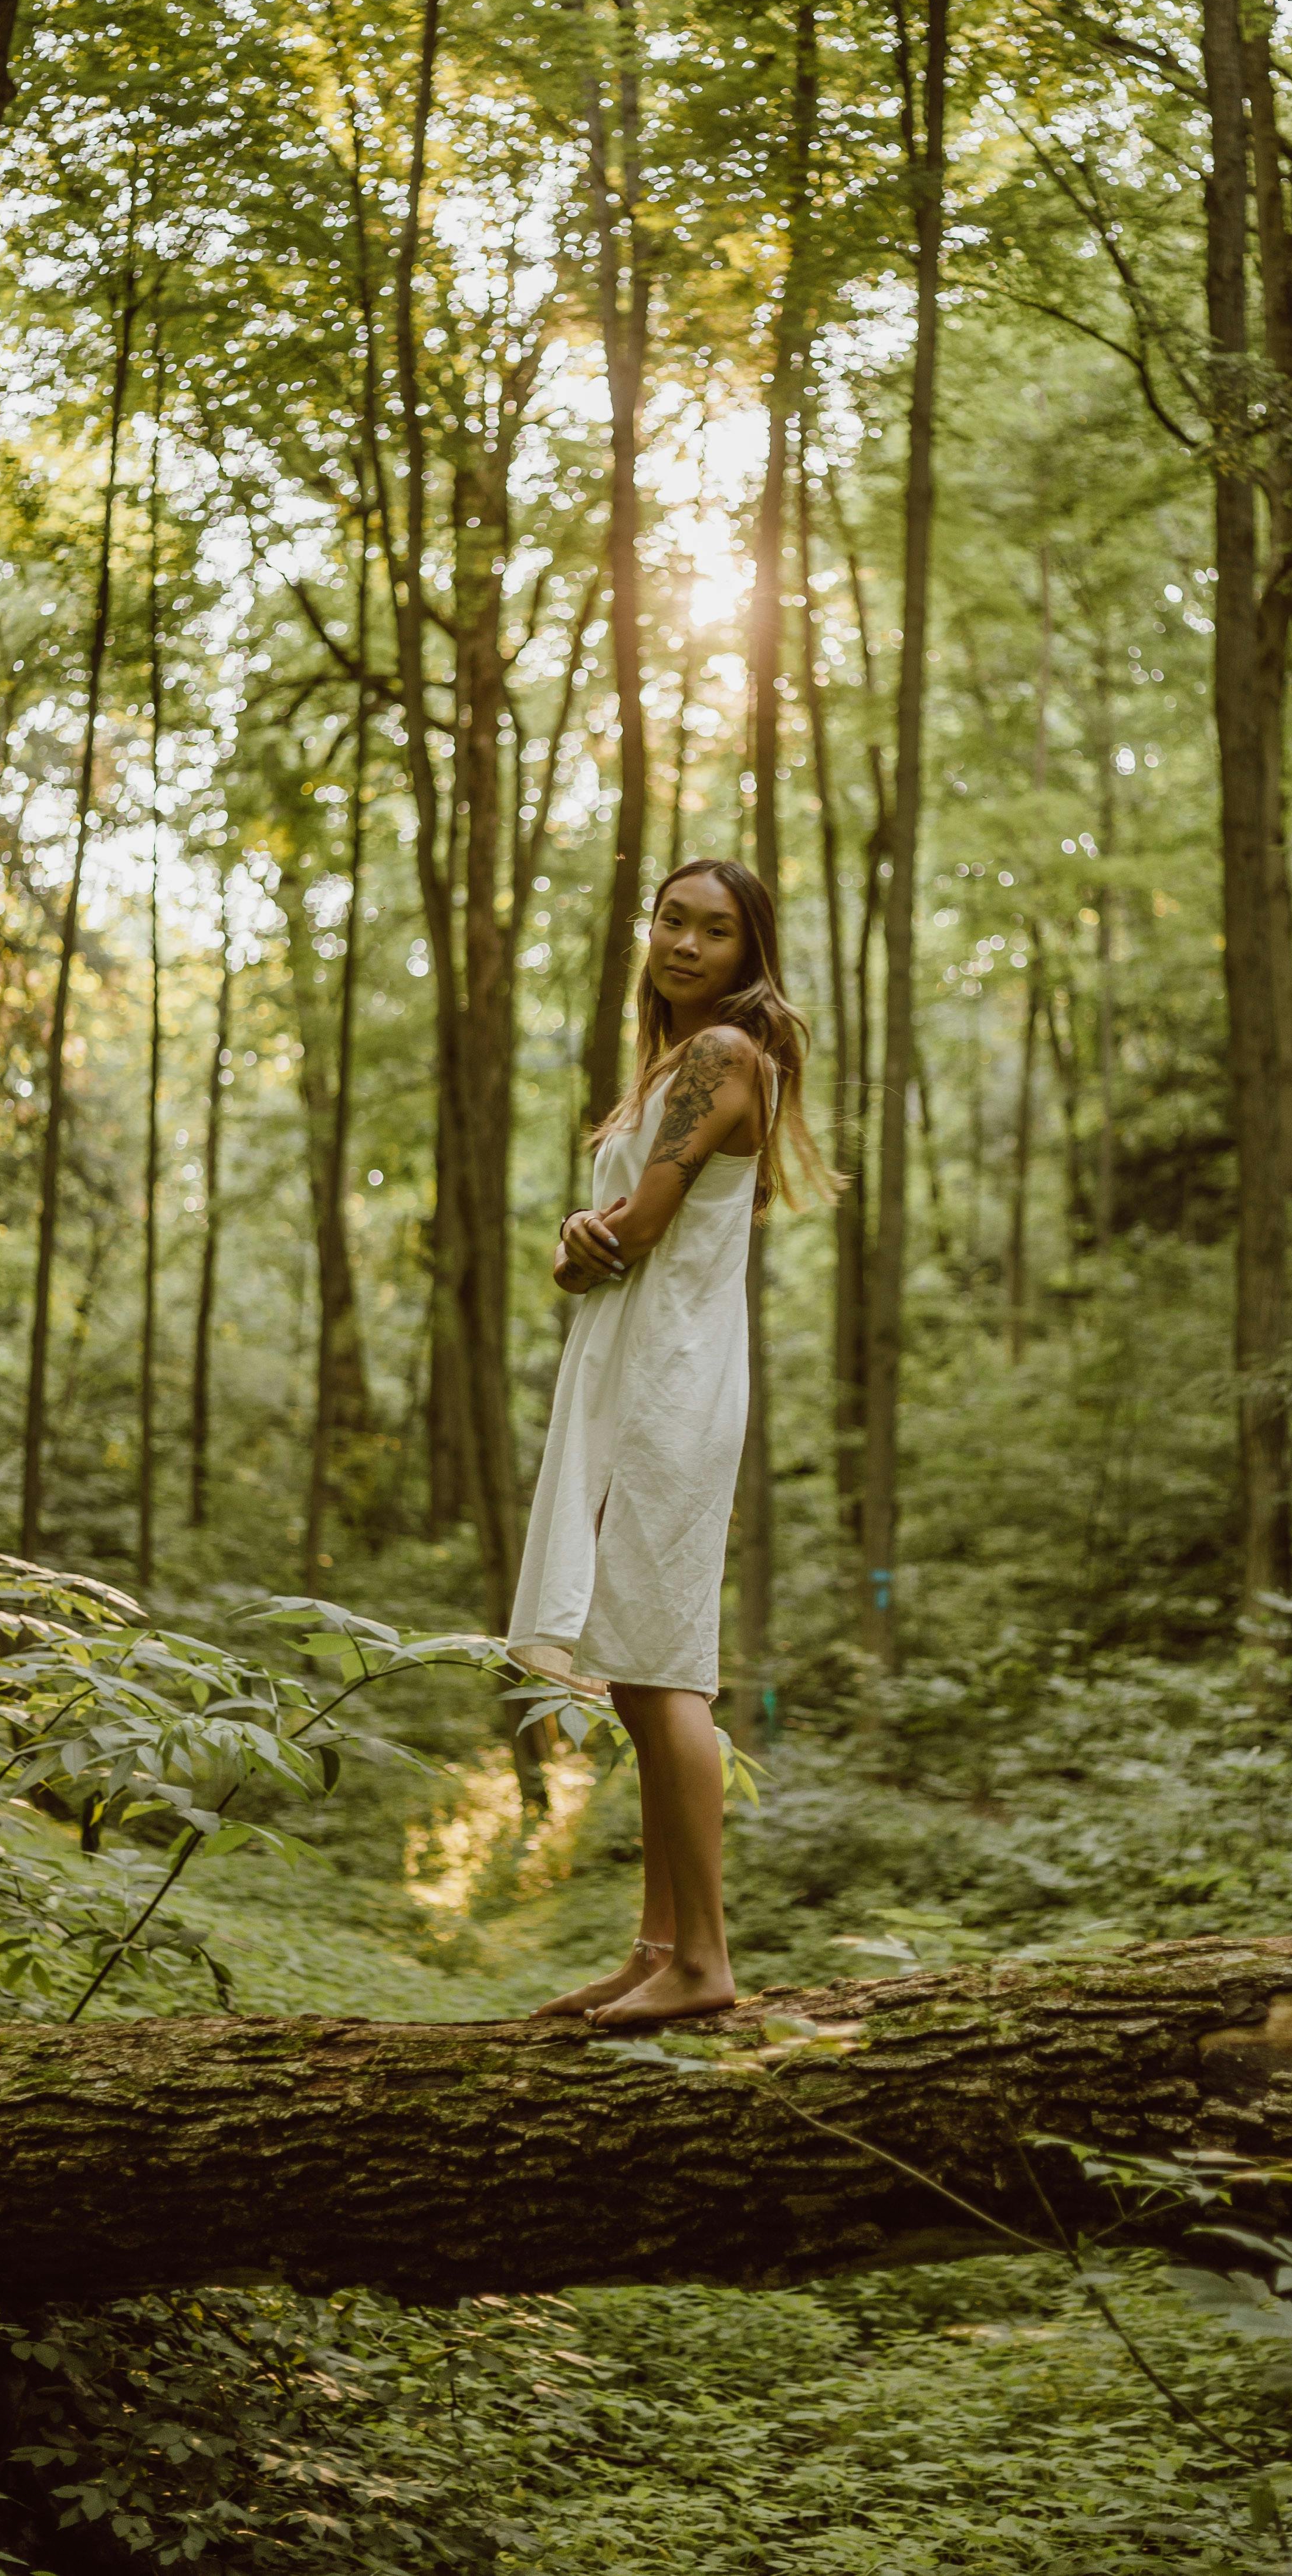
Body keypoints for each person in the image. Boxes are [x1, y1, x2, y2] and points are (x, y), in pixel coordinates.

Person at [509, 856, 832, 2025]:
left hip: (671, 1380)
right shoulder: (674, 1062)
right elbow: (595, 1244)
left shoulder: (723, 1056)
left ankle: (706, 1958)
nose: (685, 944)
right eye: (671, 921)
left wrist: (581, 1236)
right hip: (643, 1366)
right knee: (643, 1670)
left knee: (663, 1666)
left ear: (751, 956)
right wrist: (576, 1239)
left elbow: (630, 1230)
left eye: (716, 931)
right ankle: (658, 1951)